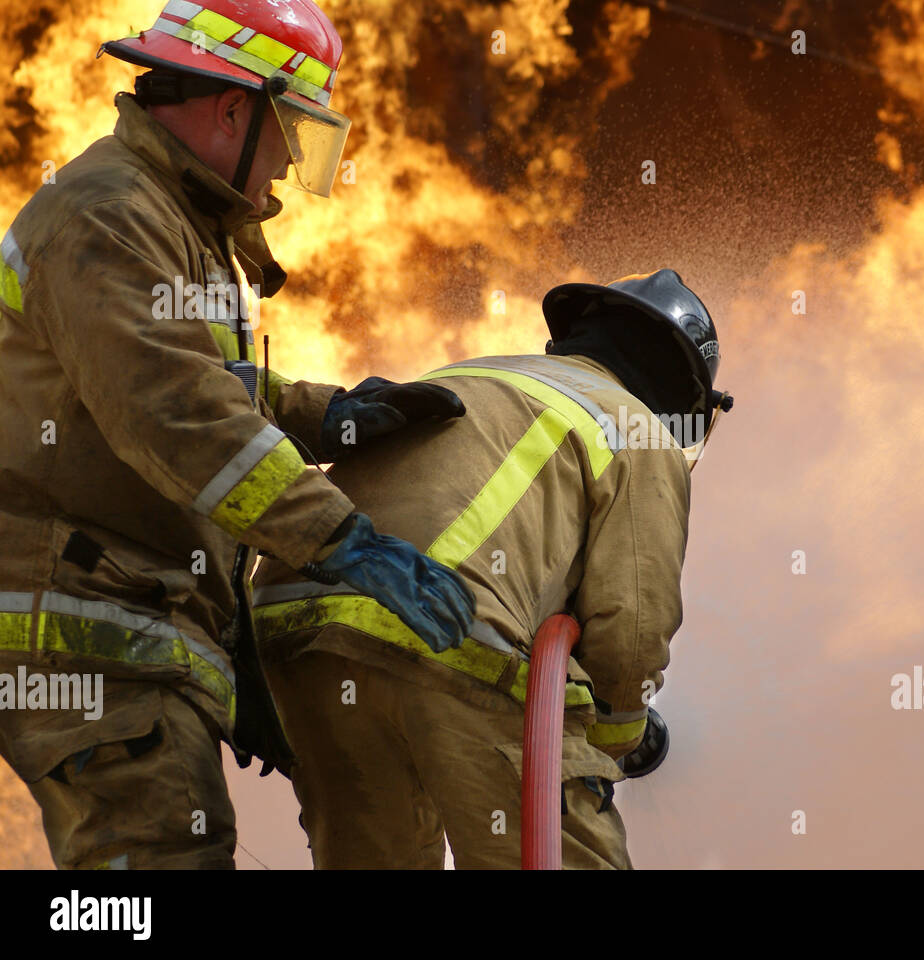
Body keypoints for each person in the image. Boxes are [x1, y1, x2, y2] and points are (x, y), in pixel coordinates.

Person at [0, 0, 475, 869]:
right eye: (291, 135)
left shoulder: (171, 219)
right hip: (83, 621)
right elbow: (173, 411)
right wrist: (339, 539)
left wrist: (321, 413)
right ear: (232, 109)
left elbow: (203, 389)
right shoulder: (108, 213)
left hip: (128, 614)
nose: (289, 174)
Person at [252, 268, 732, 868]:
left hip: (287, 629)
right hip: (444, 622)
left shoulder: (467, 375)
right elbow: (632, 629)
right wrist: (615, 741)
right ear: (683, 395)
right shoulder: (635, 428)